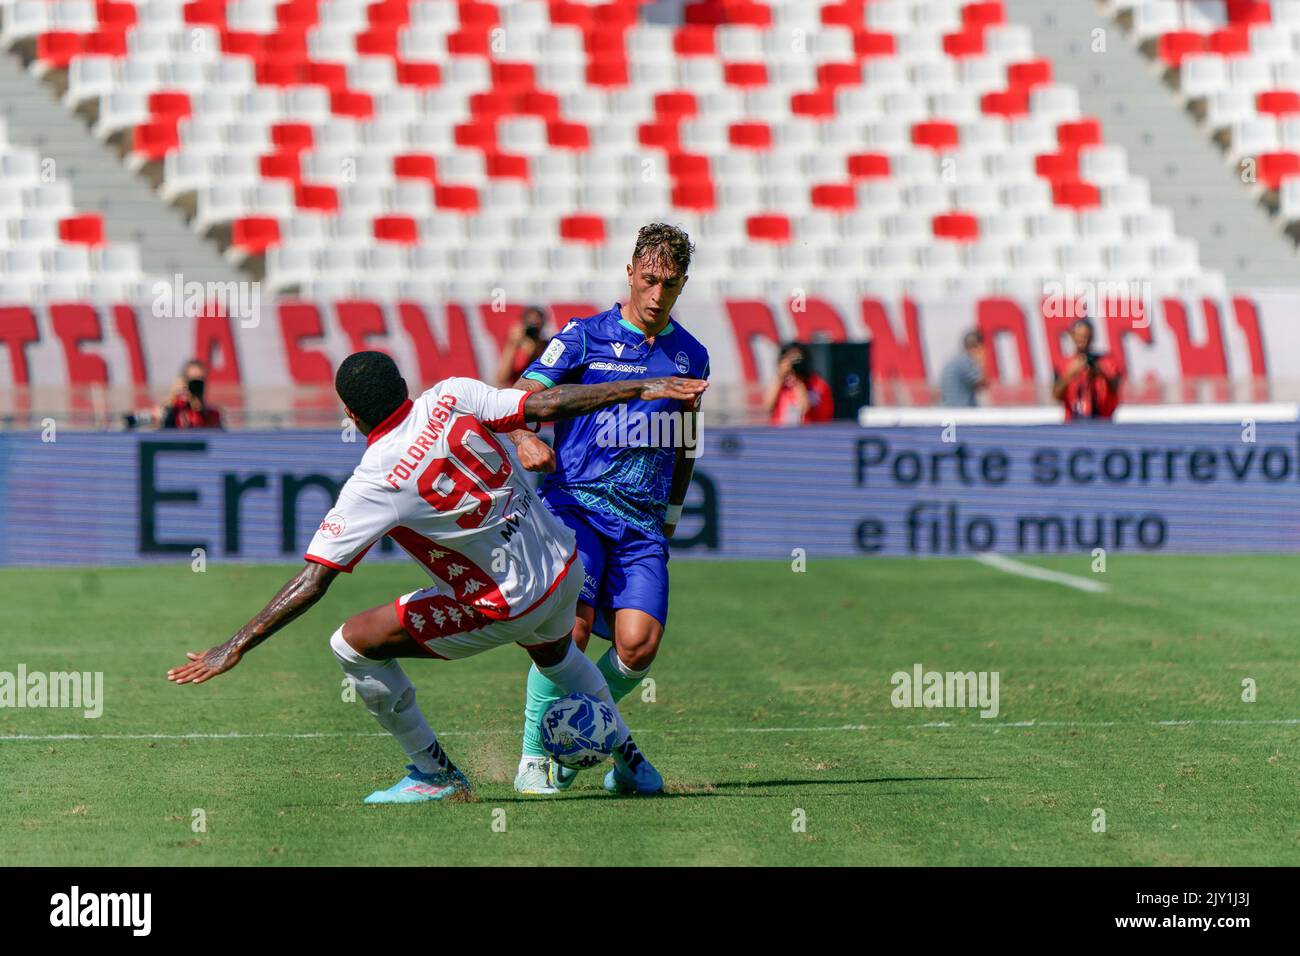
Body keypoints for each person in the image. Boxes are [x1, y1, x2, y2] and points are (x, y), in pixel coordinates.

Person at [166, 350, 708, 803]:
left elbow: (314, 580)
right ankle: (634, 765)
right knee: (559, 655)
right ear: (404, 384)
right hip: (563, 565)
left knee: (351, 644)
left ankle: (434, 775)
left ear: (351, 416)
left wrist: (233, 645)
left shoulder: (375, 478)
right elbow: (544, 402)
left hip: (509, 601)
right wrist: (639, 387)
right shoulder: (451, 393)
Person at [503, 222, 710, 795]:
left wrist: (670, 518)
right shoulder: (583, 337)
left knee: (638, 647)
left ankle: (583, 736)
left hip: (642, 524)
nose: (656, 295)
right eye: (648, 280)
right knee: (571, 631)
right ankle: (535, 757)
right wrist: (526, 438)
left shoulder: (691, 355)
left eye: (669, 284)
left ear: (682, 284)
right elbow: (521, 398)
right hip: (577, 506)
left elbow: (686, 444)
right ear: (630, 272)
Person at [1052, 318, 1123, 421]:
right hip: (1073, 421)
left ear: (1092, 337)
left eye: (1086, 336)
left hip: (1103, 420)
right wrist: (1070, 374)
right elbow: (1056, 395)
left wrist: (1100, 372)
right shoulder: (1063, 364)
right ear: (1072, 336)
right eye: (1079, 336)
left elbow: (1116, 387)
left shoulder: (1107, 361)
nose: (1083, 340)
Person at [767, 342, 834, 425]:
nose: (793, 365)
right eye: (789, 359)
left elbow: (804, 408)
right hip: (780, 432)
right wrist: (780, 376)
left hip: (808, 433)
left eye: (797, 360)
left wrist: (798, 382)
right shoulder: (780, 383)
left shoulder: (817, 384)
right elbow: (767, 406)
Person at [160, 359, 222, 429]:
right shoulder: (174, 410)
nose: (196, 386)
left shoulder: (212, 415)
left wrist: (202, 411)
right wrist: (172, 396)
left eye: (200, 381)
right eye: (192, 380)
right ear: (184, 382)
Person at [495, 306, 548, 387]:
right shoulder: (514, 345)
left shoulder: (546, 346)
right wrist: (512, 344)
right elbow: (502, 377)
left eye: (536, 325)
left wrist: (533, 347)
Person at [939, 330, 988, 406]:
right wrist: (982, 362)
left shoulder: (954, 360)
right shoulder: (965, 361)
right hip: (962, 411)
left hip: (949, 410)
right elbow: (983, 384)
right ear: (975, 346)